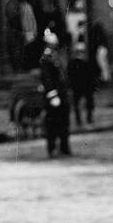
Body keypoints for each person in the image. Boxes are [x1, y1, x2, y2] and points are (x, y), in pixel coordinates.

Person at [39, 27, 71, 158]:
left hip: (61, 94)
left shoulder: (56, 57)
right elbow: (47, 79)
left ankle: (64, 147)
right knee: (52, 123)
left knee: (64, 122)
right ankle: (52, 148)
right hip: (53, 96)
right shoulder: (46, 59)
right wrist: (53, 95)